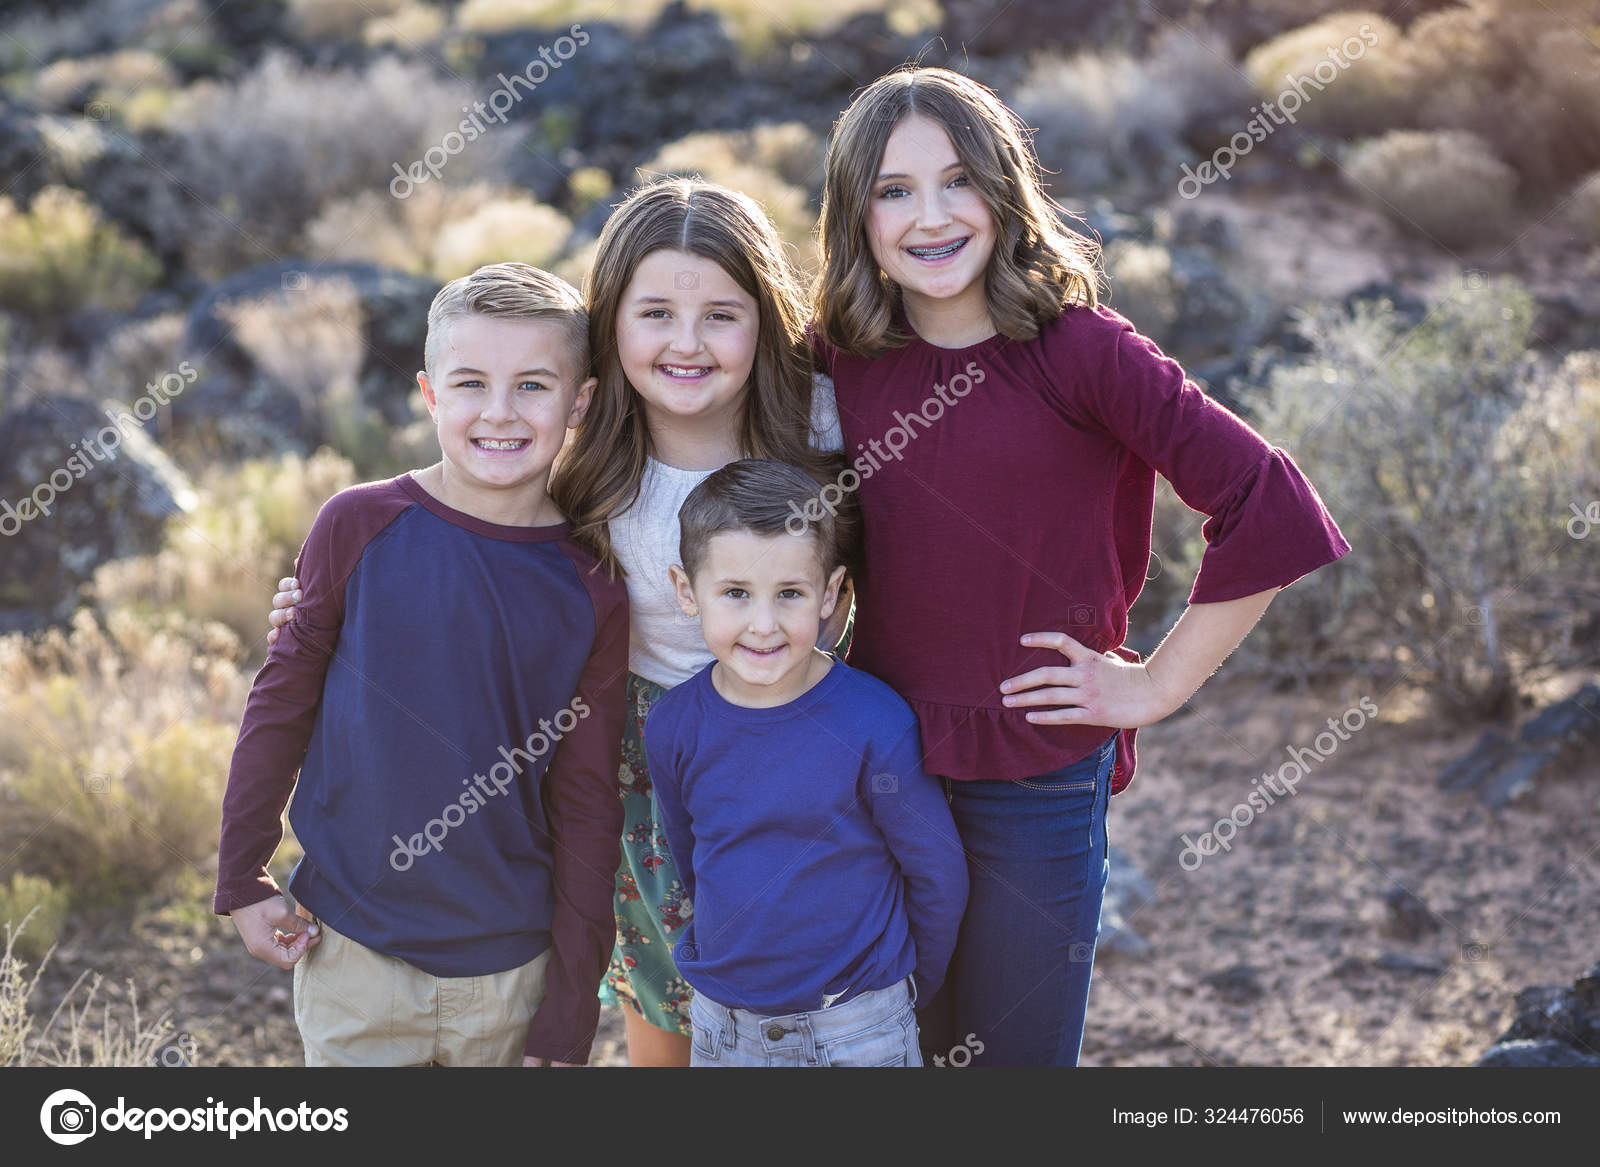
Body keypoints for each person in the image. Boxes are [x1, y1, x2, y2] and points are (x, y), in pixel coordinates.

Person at [807, 66, 1351, 1066]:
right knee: (887, 1056)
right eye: (892, 190)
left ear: (1003, 191)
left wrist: (1156, 683)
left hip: (1038, 773)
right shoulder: (837, 358)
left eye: (957, 180)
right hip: (877, 765)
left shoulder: (1081, 353)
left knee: (1012, 1065)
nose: (929, 216)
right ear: (857, 216)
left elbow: (1267, 503)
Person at [269, 180, 847, 1066]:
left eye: (720, 316)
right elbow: (467, 566)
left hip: (794, 740)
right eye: (654, 312)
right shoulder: (589, 466)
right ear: (610, 327)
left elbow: (879, 573)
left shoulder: (818, 433)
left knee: (808, 993)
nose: (685, 344)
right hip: (642, 759)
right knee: (665, 997)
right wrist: (322, 609)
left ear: (764, 318)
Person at [217, 262, 628, 1067]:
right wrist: (243, 873)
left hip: (511, 970)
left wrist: (573, 999)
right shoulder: (358, 524)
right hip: (351, 954)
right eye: (470, 383)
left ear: (579, 402)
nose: (499, 412)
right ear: (429, 393)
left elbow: (586, 799)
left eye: (533, 386)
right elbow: (281, 701)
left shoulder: (593, 586)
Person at [645, 459, 966, 1067]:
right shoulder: (674, 725)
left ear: (831, 592)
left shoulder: (874, 721)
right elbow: (692, 859)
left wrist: (902, 988)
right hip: (724, 1026)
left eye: (789, 594)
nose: (763, 625)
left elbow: (937, 872)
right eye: (736, 593)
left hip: (858, 1024)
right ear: (688, 591)